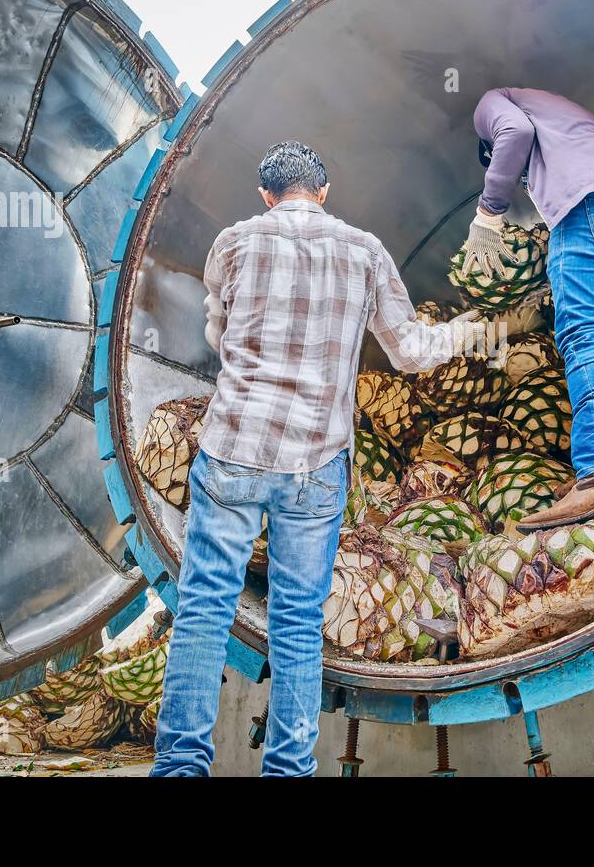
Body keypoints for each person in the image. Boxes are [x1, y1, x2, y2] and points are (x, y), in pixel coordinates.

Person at [152, 140, 484, 776]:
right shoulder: (363, 250)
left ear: (267, 196)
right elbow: (410, 352)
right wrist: (470, 330)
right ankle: (287, 770)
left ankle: (179, 768)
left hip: (233, 455)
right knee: (298, 624)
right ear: (324, 193)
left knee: (204, 607)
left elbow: (218, 338)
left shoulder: (234, 241)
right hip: (315, 467)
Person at [465, 87, 594, 531]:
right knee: (593, 333)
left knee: (582, 336)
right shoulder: (572, 122)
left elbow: (514, 132)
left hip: (592, 207)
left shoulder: (493, 103)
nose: (525, 183)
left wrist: (489, 211)